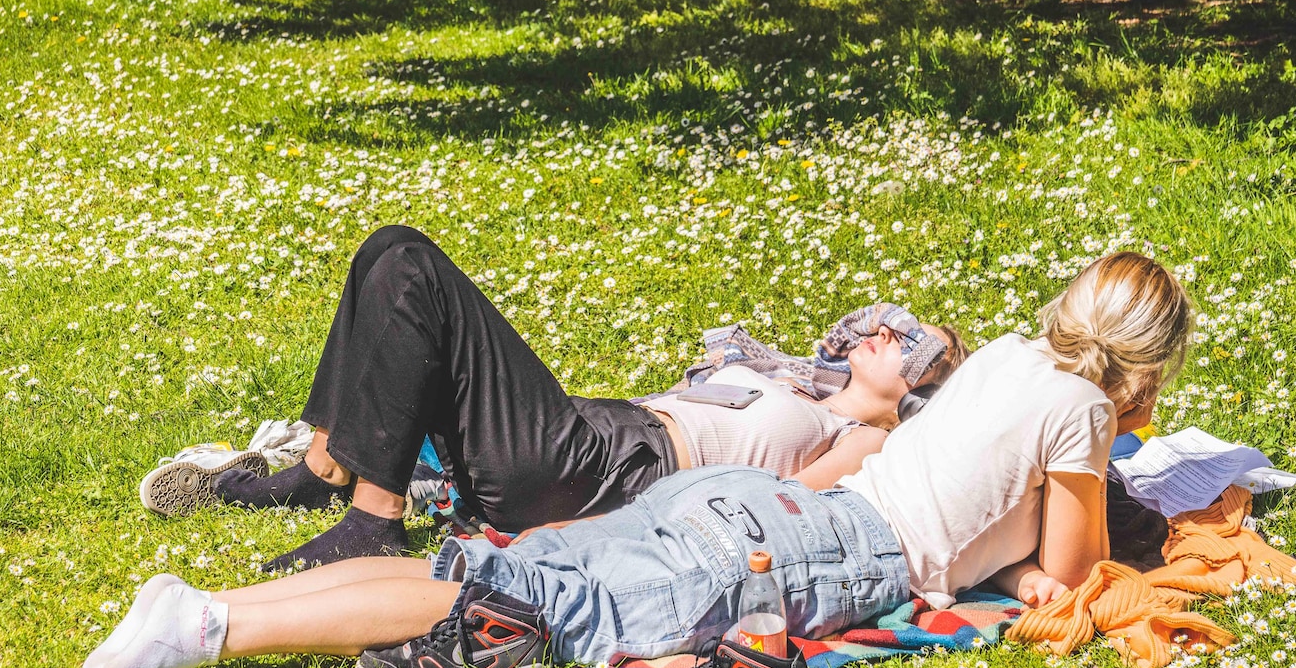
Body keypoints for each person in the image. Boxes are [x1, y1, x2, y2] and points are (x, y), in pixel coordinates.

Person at [66, 250, 1191, 668]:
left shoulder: (1002, 353)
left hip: (751, 508)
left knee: (501, 576)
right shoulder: (1082, 409)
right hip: (810, 557)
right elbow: (1067, 571)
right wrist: (1113, 454)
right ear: (1140, 367)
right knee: (518, 606)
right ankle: (210, 627)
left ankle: (204, 615)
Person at [152, 226, 959, 573]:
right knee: (384, 251)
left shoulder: (866, 436)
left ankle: (372, 522)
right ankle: (324, 464)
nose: (891, 330)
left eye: (915, 343)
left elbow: (788, 506)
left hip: (613, 471)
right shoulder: (793, 379)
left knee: (415, 272)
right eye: (889, 323)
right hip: (592, 431)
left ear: (919, 392)